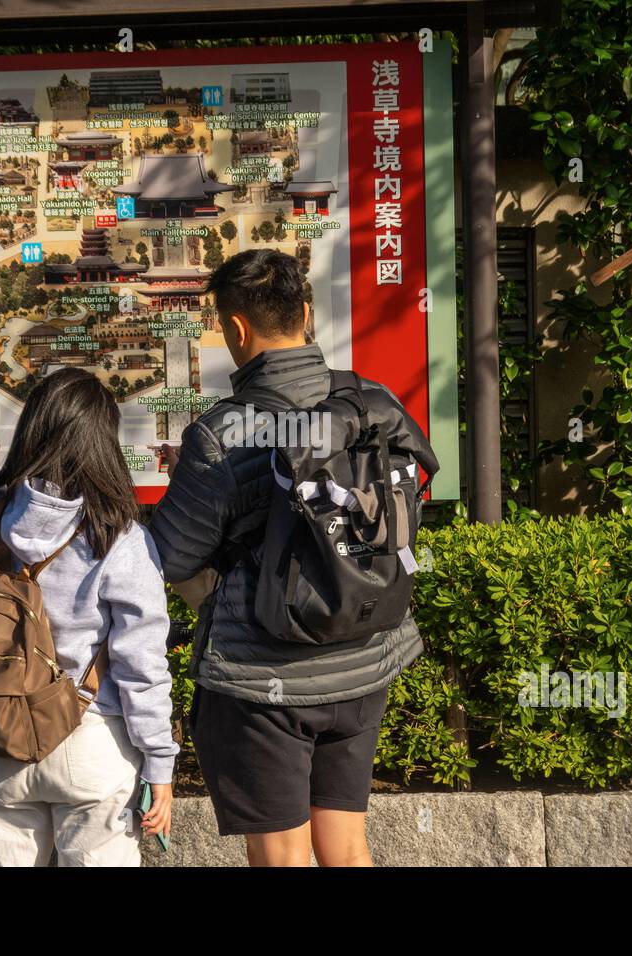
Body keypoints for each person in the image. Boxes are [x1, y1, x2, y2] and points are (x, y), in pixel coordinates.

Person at [149, 248, 425, 867]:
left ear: (236, 329)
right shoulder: (368, 402)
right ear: (305, 312)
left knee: (282, 858)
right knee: (348, 849)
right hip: (365, 658)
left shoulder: (225, 433)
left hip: (264, 678)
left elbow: (168, 556)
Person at [0, 367, 176, 866]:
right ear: (103, 443)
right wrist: (160, 761)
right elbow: (141, 662)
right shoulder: (120, 538)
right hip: (88, 739)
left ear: (31, 429)